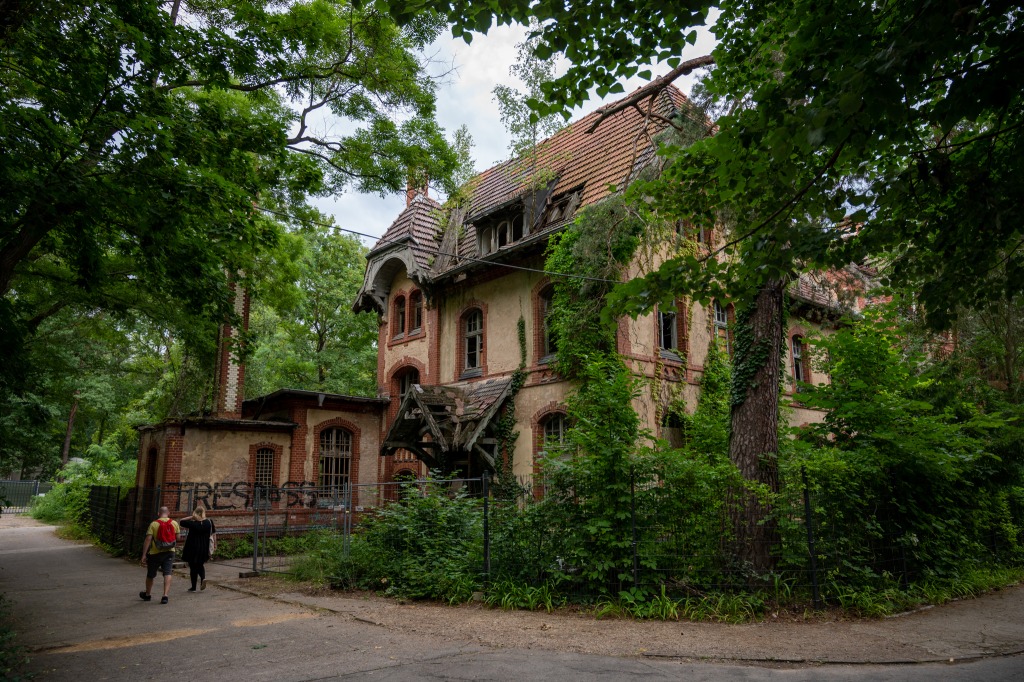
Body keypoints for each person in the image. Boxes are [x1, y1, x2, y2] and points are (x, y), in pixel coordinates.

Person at [139, 506, 179, 604]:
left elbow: (148, 539)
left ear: (158, 513)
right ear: (168, 513)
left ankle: (147, 594)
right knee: (167, 573)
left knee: (151, 575)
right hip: (170, 552)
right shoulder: (174, 523)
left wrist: (144, 554)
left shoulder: (154, 524)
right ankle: (165, 596)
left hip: (155, 553)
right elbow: (177, 537)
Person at [178, 506, 216, 592]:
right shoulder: (209, 522)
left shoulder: (193, 523)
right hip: (204, 547)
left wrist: (192, 517)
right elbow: (213, 534)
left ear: (195, 513)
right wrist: (215, 545)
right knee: (200, 564)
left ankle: (193, 587)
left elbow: (181, 521)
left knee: (193, 566)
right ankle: (203, 578)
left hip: (192, 547)